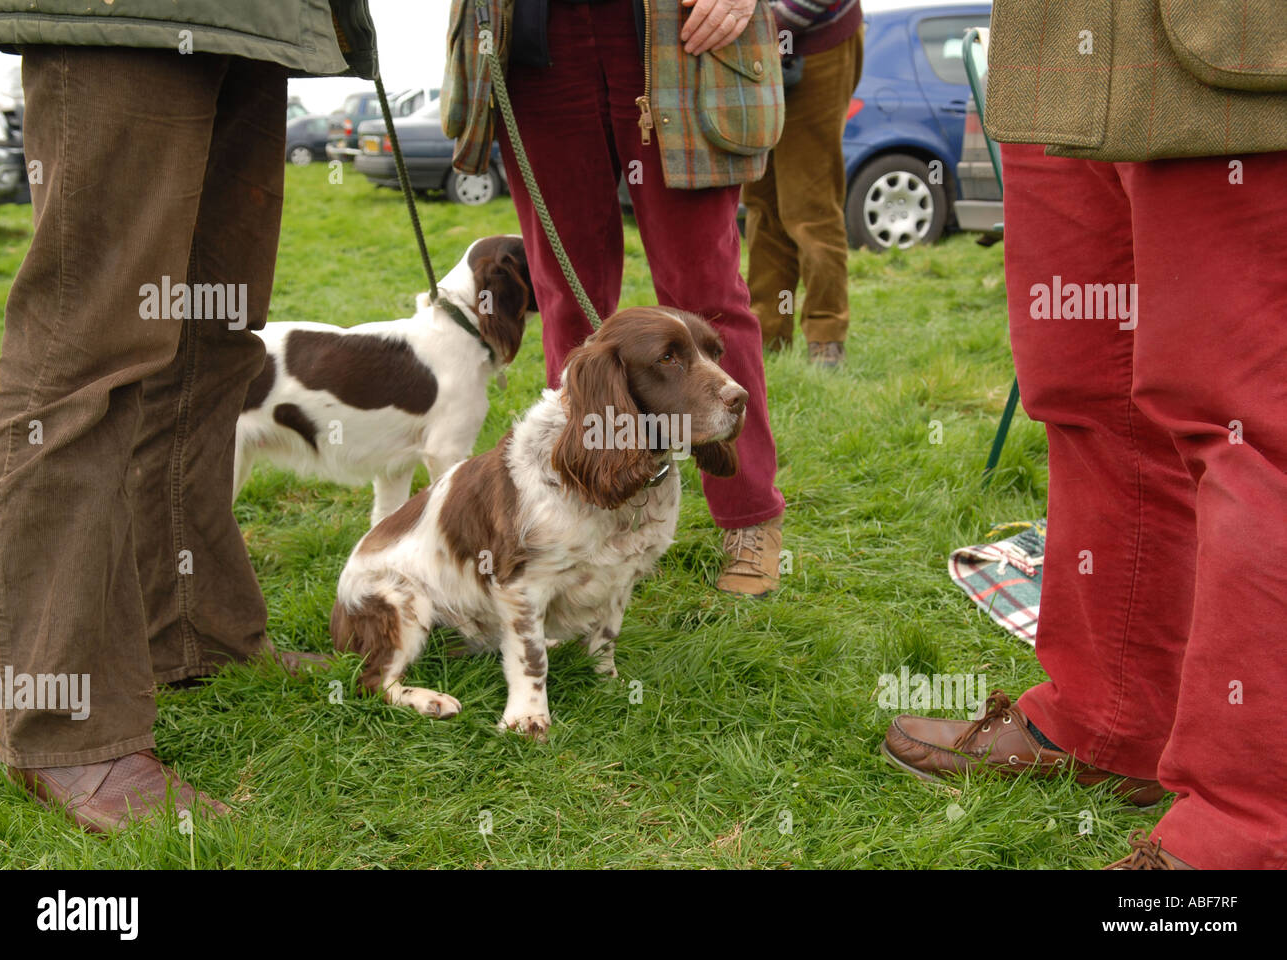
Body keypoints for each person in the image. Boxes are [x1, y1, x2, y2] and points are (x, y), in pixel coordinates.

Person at [881, 1, 1287, 869]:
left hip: (1233, 49)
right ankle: (1112, 724)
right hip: (1060, 56)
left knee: (1248, 424)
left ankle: (1250, 827)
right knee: (1086, 390)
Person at [0, 1, 378, 833]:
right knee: (83, 347)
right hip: (126, 12)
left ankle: (195, 631)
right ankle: (66, 724)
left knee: (211, 343)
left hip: (257, 20)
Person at [496, 0, 788, 597]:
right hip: (537, 41)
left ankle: (749, 519)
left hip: (681, 35)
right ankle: (585, 504)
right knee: (565, 300)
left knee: (707, 298)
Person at [742, 1, 862, 368]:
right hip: (752, 47)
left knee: (809, 206)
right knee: (762, 204)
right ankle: (768, 334)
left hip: (816, 43)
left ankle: (826, 338)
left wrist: (765, 26)